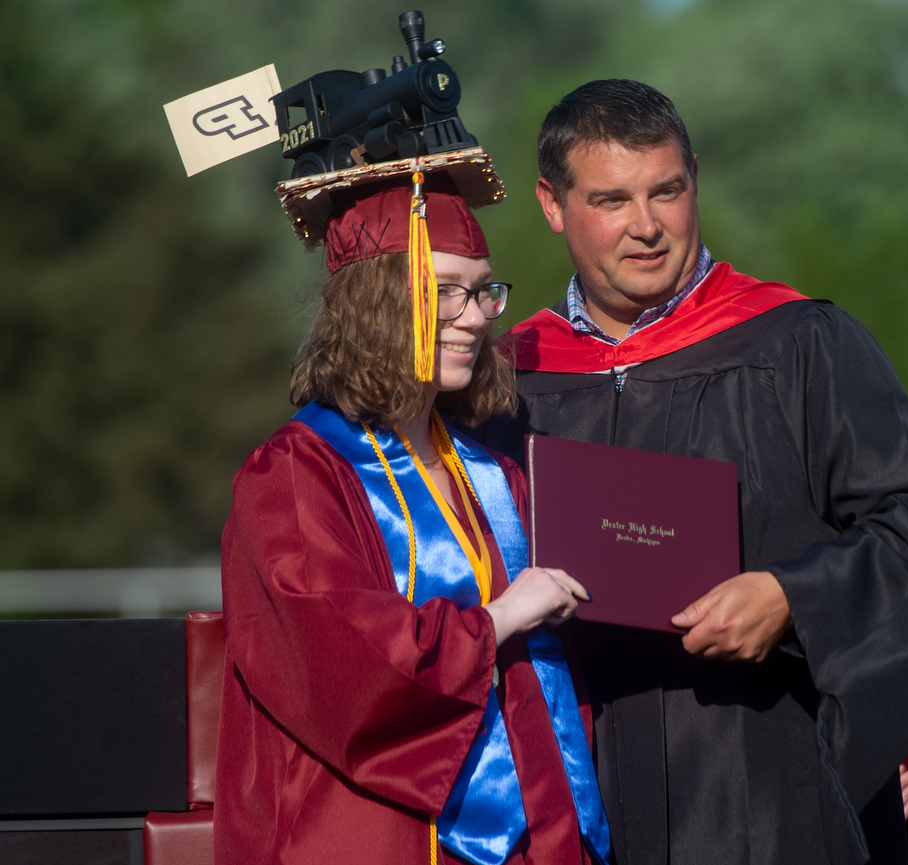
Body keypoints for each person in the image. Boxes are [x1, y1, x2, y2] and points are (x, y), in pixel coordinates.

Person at [473, 79, 908, 865]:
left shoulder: (796, 344)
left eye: (668, 191)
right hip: (578, 808)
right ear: (553, 205)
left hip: (768, 795)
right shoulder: (512, 383)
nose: (646, 227)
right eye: (612, 200)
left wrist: (795, 596)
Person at [215, 173, 611, 865]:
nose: (476, 314)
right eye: (444, 290)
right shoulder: (295, 475)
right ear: (376, 304)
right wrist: (499, 618)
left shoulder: (489, 472)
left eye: (483, 289)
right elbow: (343, 658)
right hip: (378, 829)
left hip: (527, 828)